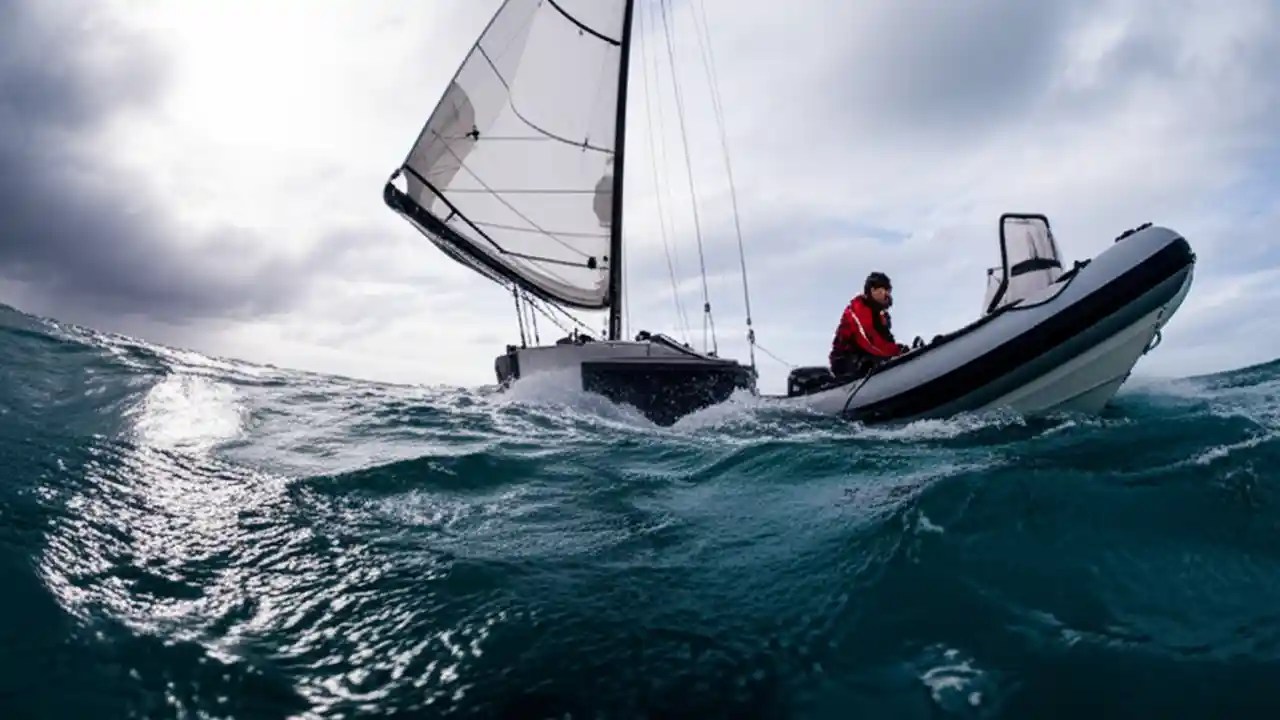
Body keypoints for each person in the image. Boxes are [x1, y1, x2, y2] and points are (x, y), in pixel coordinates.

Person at [829, 271, 911, 377]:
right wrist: (896, 352)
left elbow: (886, 340)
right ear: (873, 290)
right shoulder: (857, 311)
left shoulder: (880, 315)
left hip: (869, 356)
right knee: (871, 363)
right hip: (848, 361)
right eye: (884, 290)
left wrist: (901, 351)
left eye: (889, 291)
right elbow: (870, 342)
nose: (887, 295)